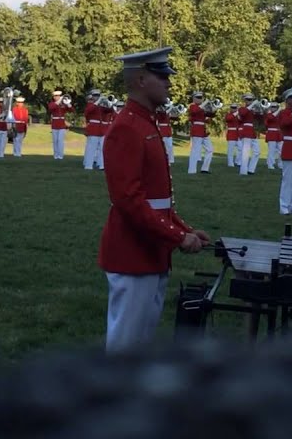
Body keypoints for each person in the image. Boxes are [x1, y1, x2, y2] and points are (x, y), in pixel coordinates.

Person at [98, 46, 209, 353]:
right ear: (141, 80)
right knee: (126, 346)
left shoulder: (146, 122)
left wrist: (185, 230)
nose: (169, 84)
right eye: (162, 77)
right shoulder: (127, 127)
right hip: (133, 251)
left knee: (141, 344)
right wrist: (176, 236)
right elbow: (129, 200)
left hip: (150, 249)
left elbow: (159, 201)